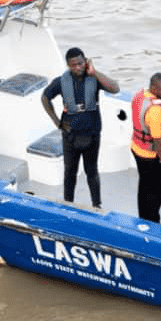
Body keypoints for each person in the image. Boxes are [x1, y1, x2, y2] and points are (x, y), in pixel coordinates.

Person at [41, 47, 120, 209]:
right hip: (70, 135)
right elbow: (45, 97)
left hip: (92, 134)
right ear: (68, 65)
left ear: (86, 61)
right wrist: (57, 122)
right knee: (70, 171)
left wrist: (95, 72)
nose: (78, 67)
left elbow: (115, 88)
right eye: (74, 65)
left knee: (92, 171)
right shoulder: (61, 82)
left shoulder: (94, 78)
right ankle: (67, 203)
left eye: (80, 63)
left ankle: (97, 205)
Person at [130, 72, 161, 222]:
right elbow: (158, 141)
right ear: (154, 88)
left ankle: (142, 218)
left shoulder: (141, 95)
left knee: (144, 186)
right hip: (150, 157)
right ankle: (152, 222)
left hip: (137, 148)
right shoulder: (156, 111)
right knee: (154, 193)